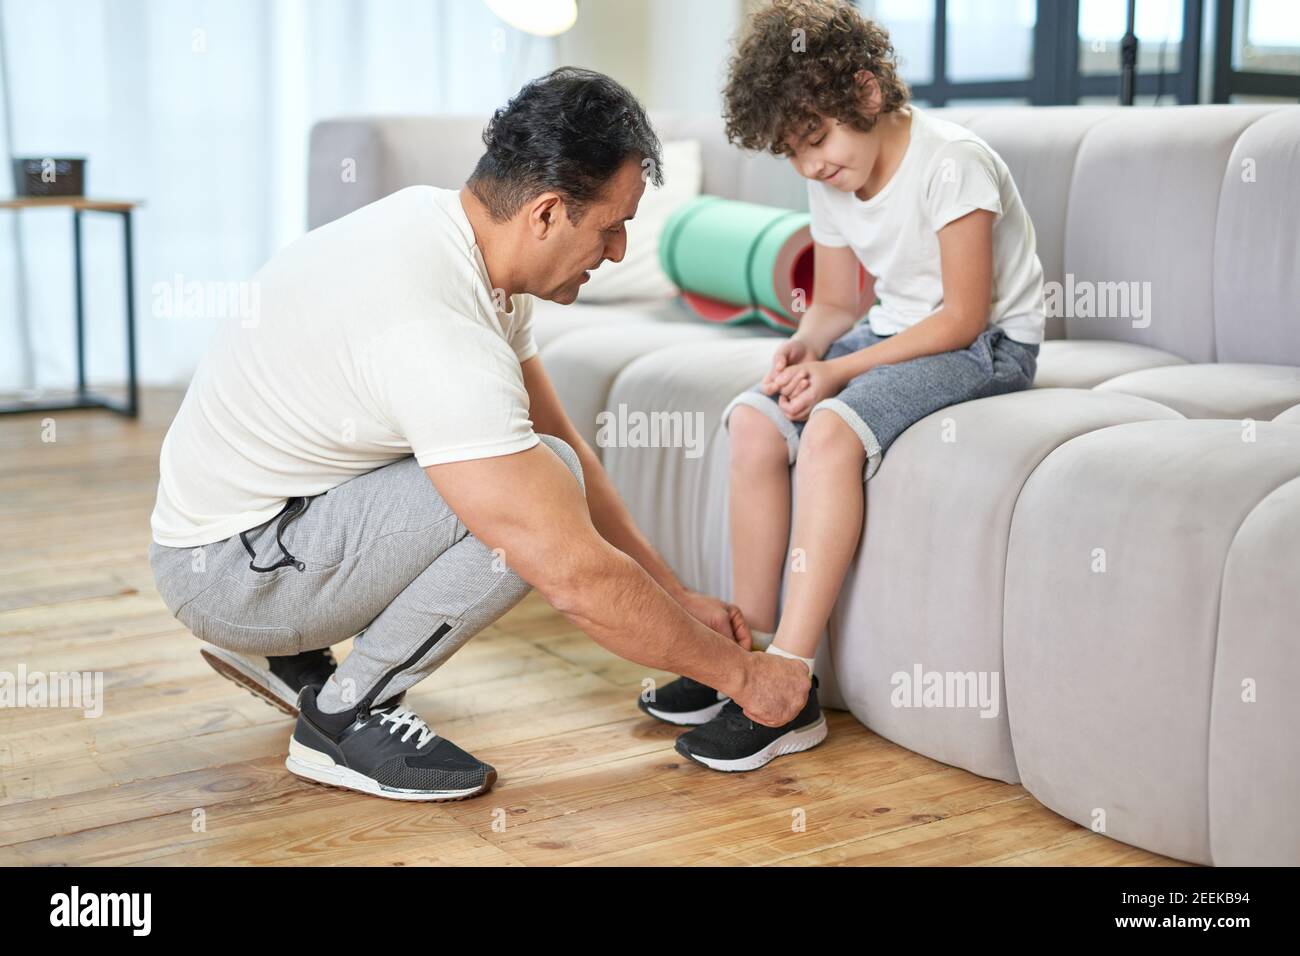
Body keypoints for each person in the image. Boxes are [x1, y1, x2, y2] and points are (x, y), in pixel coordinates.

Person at [148, 67, 811, 802]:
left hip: (249, 534)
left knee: (540, 465)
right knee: (528, 514)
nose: (620, 250)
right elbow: (572, 573)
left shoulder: (454, 239)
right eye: (612, 226)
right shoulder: (436, 328)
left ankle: (287, 654)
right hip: (234, 573)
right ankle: (342, 717)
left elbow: (558, 438)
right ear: (549, 214)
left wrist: (673, 592)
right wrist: (752, 680)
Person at [643, 0, 1046, 772]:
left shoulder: (952, 161)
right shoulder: (832, 177)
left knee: (829, 430)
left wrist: (838, 376)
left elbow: (962, 318)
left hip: (989, 343)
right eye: (792, 152)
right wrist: (804, 348)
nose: (810, 167)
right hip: (895, 332)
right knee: (755, 421)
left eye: (817, 140)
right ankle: (746, 656)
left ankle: (788, 685)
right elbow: (833, 304)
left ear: (866, 94)